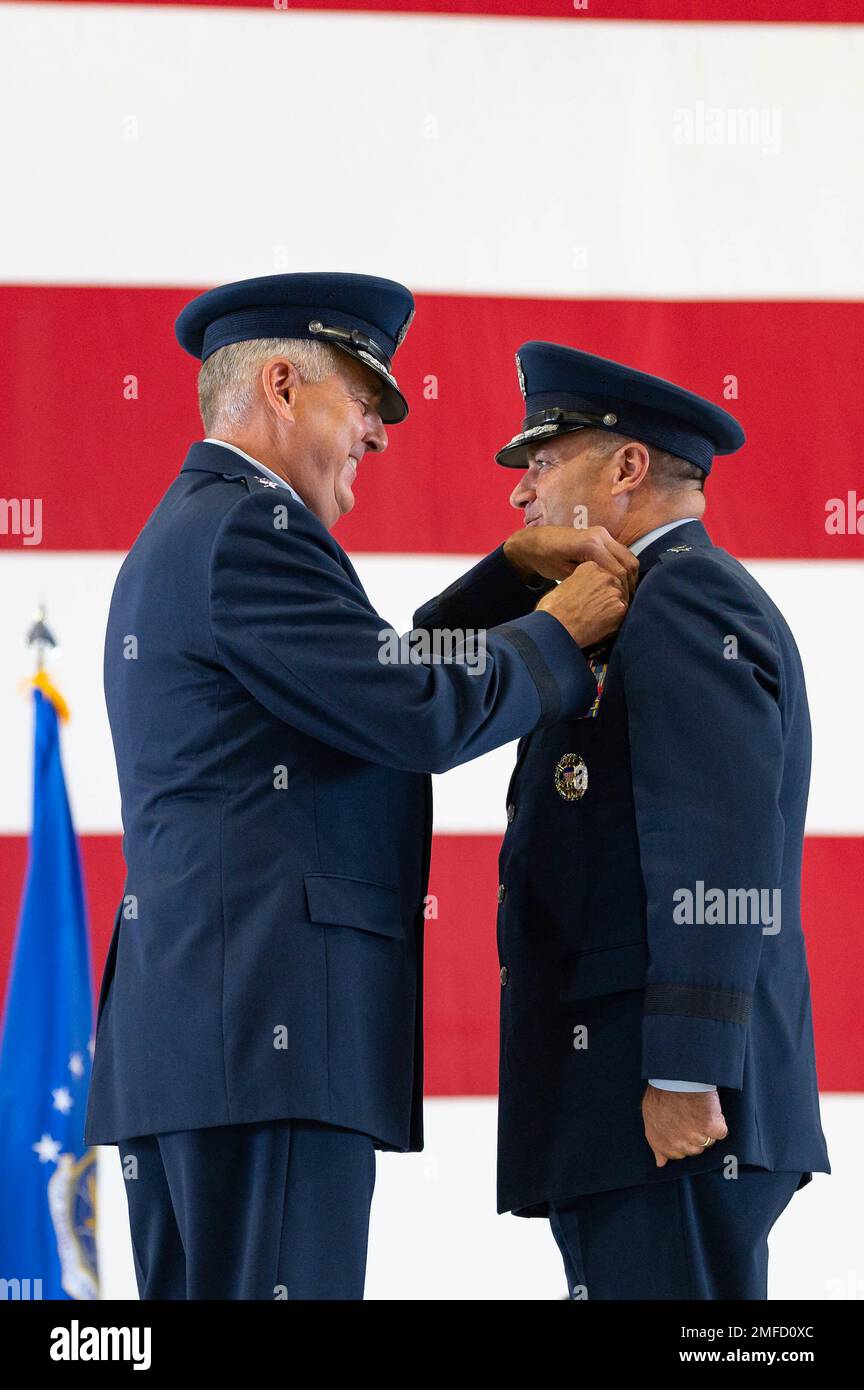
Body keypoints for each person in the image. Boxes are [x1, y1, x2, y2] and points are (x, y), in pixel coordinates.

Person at [83, 279, 636, 1300]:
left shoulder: (194, 529)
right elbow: (414, 711)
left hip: (207, 1048)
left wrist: (509, 578)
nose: (378, 433)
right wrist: (561, 629)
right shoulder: (255, 534)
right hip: (264, 1041)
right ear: (283, 385)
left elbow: (363, 685)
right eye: (364, 398)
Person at [413, 341, 830, 1300]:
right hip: (624, 1102)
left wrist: (687, 1069)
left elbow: (719, 844)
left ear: (627, 466)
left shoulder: (684, 596)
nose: (522, 495)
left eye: (542, 463)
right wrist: (510, 575)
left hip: (672, 1107)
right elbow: (406, 675)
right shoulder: (614, 604)